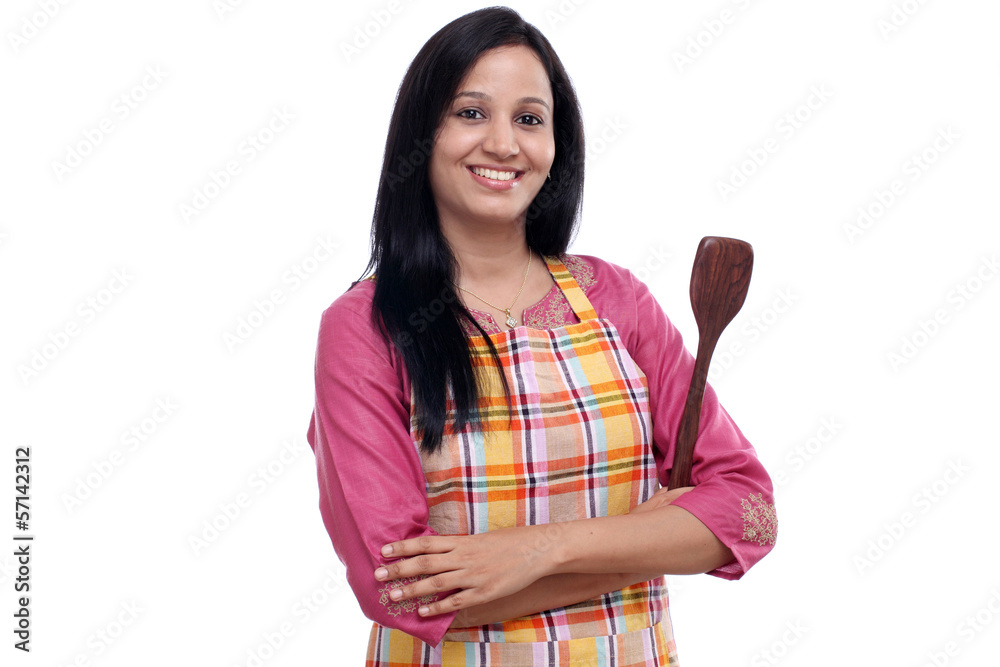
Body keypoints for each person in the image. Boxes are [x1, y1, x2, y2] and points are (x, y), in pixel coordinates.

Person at [306, 7, 777, 665]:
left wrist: (539, 547)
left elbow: (749, 512)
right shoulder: (364, 329)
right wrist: (651, 540)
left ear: (558, 144)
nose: (503, 143)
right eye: (471, 112)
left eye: (529, 118)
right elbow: (407, 592)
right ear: (422, 132)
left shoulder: (619, 300)